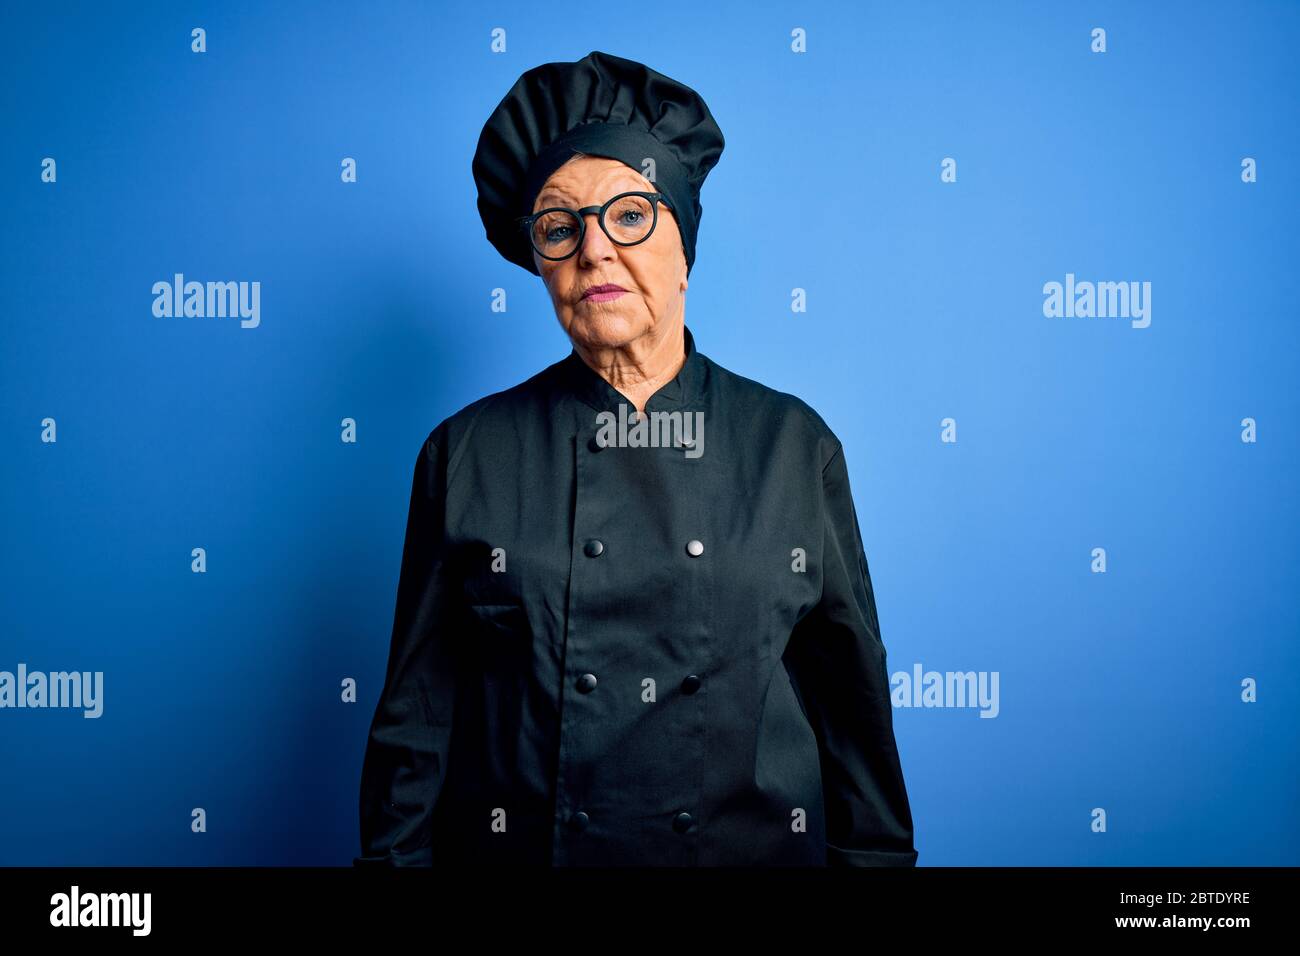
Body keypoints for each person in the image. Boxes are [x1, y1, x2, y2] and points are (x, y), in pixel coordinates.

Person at [355, 50, 917, 867]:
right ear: (541, 264)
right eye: (560, 226)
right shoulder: (466, 454)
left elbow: (855, 714)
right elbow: (418, 725)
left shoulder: (794, 448)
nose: (594, 251)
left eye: (629, 214)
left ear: (683, 247)